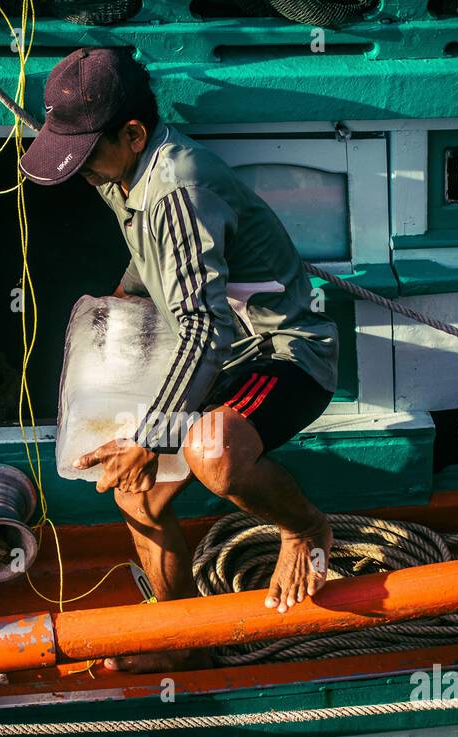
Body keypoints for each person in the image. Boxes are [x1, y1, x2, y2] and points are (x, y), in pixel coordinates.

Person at [21, 48, 339, 673]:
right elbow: (155, 257)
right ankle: (185, 634)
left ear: (133, 133)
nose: (82, 172)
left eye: (87, 155)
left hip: (280, 353)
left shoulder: (176, 190)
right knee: (138, 498)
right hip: (220, 354)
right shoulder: (125, 174)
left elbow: (206, 328)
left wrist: (149, 434)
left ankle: (304, 529)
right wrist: (124, 305)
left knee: (212, 451)